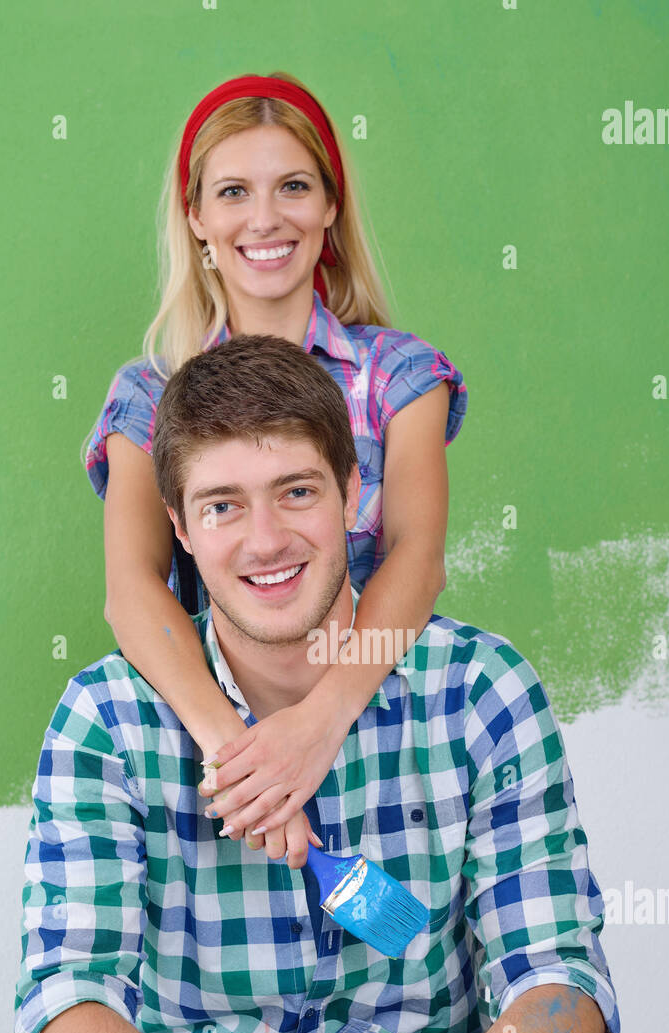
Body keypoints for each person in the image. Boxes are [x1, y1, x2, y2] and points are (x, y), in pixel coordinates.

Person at [0, 334, 669, 1033]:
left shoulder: (479, 690)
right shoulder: (108, 719)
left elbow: (559, 985)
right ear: (179, 529)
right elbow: (66, 1010)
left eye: (295, 491)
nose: (266, 539)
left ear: (352, 494)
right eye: (222, 506)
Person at [83, 70, 466, 870]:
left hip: (378, 731)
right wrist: (242, 753)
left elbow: (416, 560)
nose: (264, 217)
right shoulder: (146, 394)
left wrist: (319, 724)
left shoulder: (400, 376)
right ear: (195, 218)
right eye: (231, 192)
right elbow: (131, 589)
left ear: (330, 206)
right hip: (210, 763)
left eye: (292, 186)